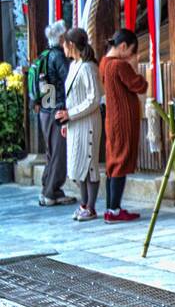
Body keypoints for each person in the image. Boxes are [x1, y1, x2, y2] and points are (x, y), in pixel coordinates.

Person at [99, 28, 149, 223]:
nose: (132, 56)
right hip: (123, 120)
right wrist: (135, 67)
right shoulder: (120, 66)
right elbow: (139, 85)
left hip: (112, 119)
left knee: (113, 162)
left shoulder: (104, 63)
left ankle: (111, 208)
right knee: (120, 161)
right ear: (123, 46)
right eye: (131, 51)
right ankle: (114, 210)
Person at [56, 27, 103, 222]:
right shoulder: (75, 65)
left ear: (71, 45)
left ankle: (90, 206)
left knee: (88, 163)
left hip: (87, 121)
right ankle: (84, 203)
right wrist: (67, 120)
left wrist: (71, 114)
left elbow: (94, 98)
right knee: (76, 164)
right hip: (75, 121)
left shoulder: (88, 67)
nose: (63, 49)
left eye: (65, 45)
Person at [34, 20, 73, 207]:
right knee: (59, 152)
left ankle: (46, 188)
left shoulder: (43, 55)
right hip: (57, 110)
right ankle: (52, 192)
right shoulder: (58, 56)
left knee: (51, 151)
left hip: (44, 110)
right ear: (60, 38)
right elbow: (68, 81)